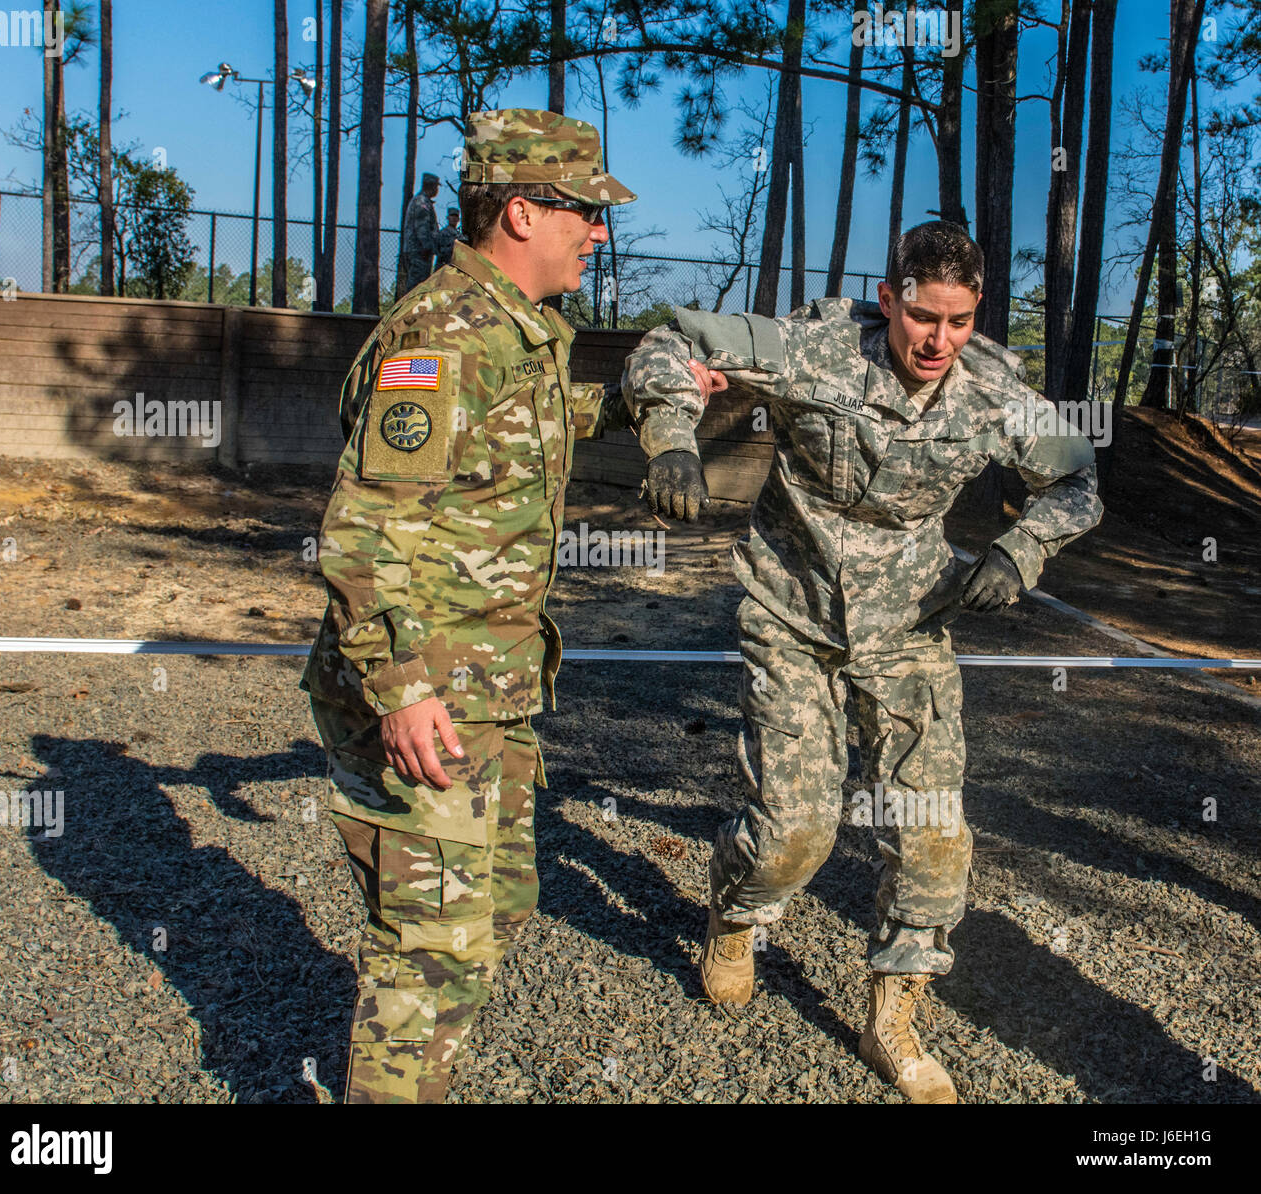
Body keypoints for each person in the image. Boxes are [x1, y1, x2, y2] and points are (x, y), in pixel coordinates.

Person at [621, 220, 1103, 1104]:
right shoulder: (817, 348)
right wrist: (672, 437)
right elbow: (673, 338)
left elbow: (1077, 479)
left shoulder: (996, 390)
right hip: (792, 610)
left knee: (931, 829)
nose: (939, 341)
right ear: (889, 299)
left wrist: (1019, 550)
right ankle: (736, 914)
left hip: (910, 620)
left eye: (959, 322)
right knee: (798, 828)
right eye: (924, 317)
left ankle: (896, 1013)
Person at [302, 107, 635, 1103]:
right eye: (585, 211)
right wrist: (400, 689)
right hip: (429, 696)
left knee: (495, 910)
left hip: (488, 697)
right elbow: (366, 532)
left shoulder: (515, 337)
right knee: (435, 950)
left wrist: (647, 398)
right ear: (524, 213)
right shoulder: (440, 340)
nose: (599, 231)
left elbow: (515, 438)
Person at [400, 172, 441, 293]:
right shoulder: (421, 202)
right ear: (431, 186)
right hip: (419, 251)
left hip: (418, 251)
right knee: (417, 287)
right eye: (436, 187)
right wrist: (427, 246)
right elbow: (421, 228)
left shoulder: (423, 201)